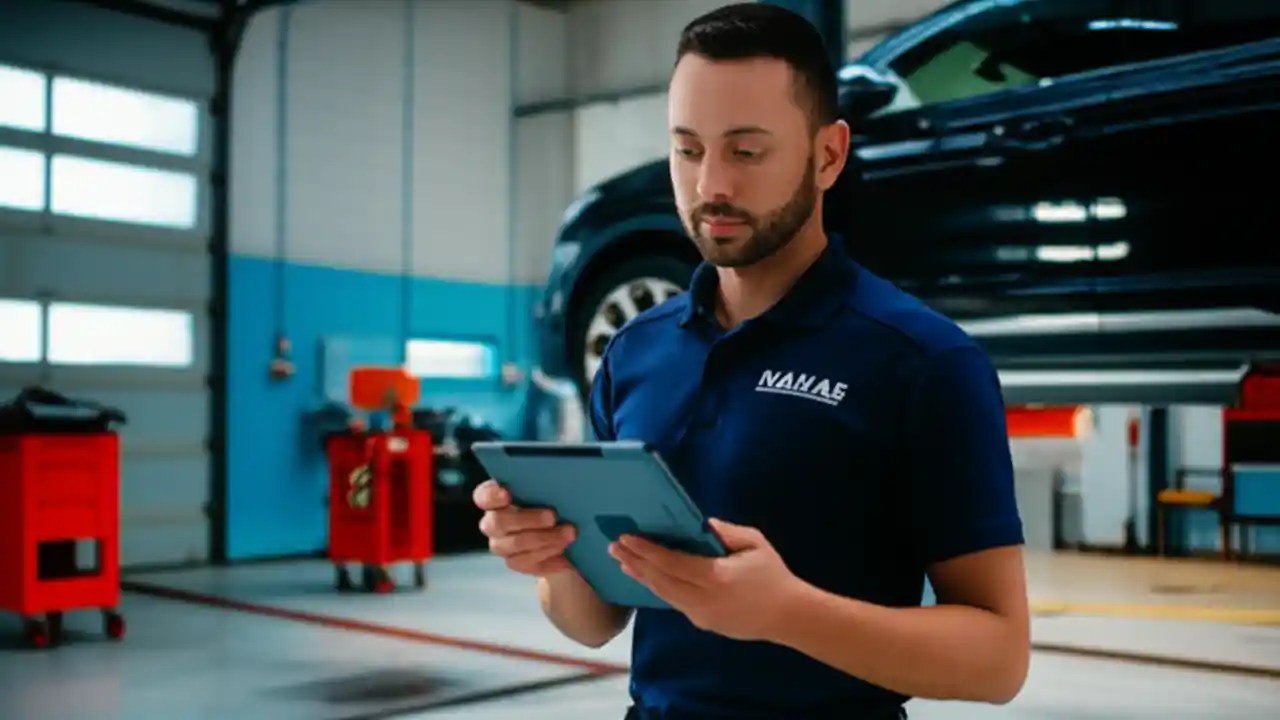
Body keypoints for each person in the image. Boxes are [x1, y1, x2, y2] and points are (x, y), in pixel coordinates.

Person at [473, 3, 1030, 718]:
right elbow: (597, 620)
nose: (710, 187)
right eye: (687, 149)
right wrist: (550, 560)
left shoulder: (924, 362)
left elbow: (998, 658)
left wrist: (786, 613)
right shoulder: (635, 351)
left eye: (746, 150)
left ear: (828, 154)